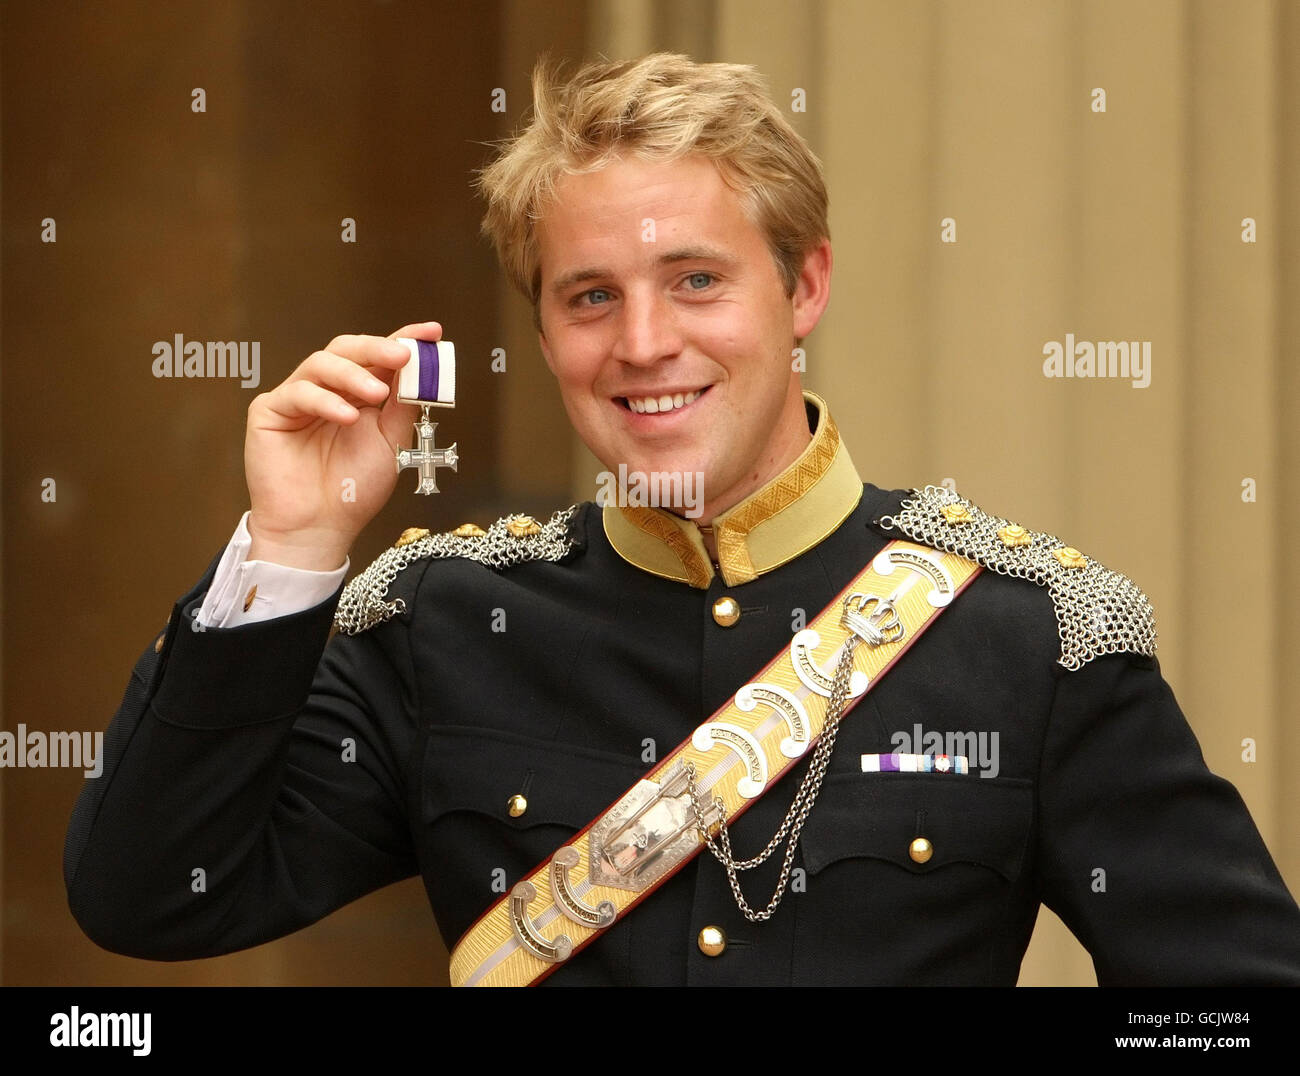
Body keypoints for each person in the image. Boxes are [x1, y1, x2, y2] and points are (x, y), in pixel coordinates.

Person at [65, 53, 1300, 986]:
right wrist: (292, 547)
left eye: (696, 280)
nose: (644, 342)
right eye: (589, 295)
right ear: (543, 332)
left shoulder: (1029, 638)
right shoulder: (442, 620)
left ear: (803, 283)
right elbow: (152, 895)